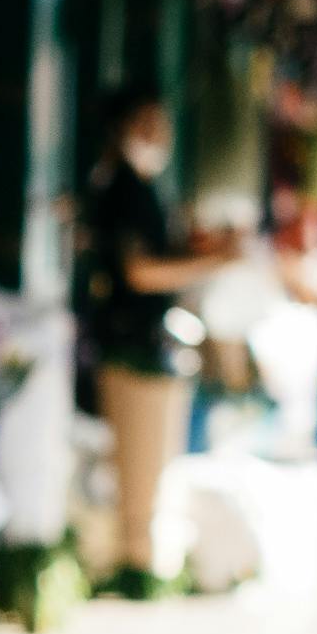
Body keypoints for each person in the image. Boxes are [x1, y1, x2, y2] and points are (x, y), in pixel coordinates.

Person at [75, 91, 229, 579]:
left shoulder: (137, 188)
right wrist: (211, 262)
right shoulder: (124, 190)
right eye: (149, 123)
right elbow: (140, 272)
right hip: (128, 341)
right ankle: (136, 563)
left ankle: (143, 557)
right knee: (140, 464)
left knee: (149, 464)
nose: (160, 135)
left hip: (140, 339)